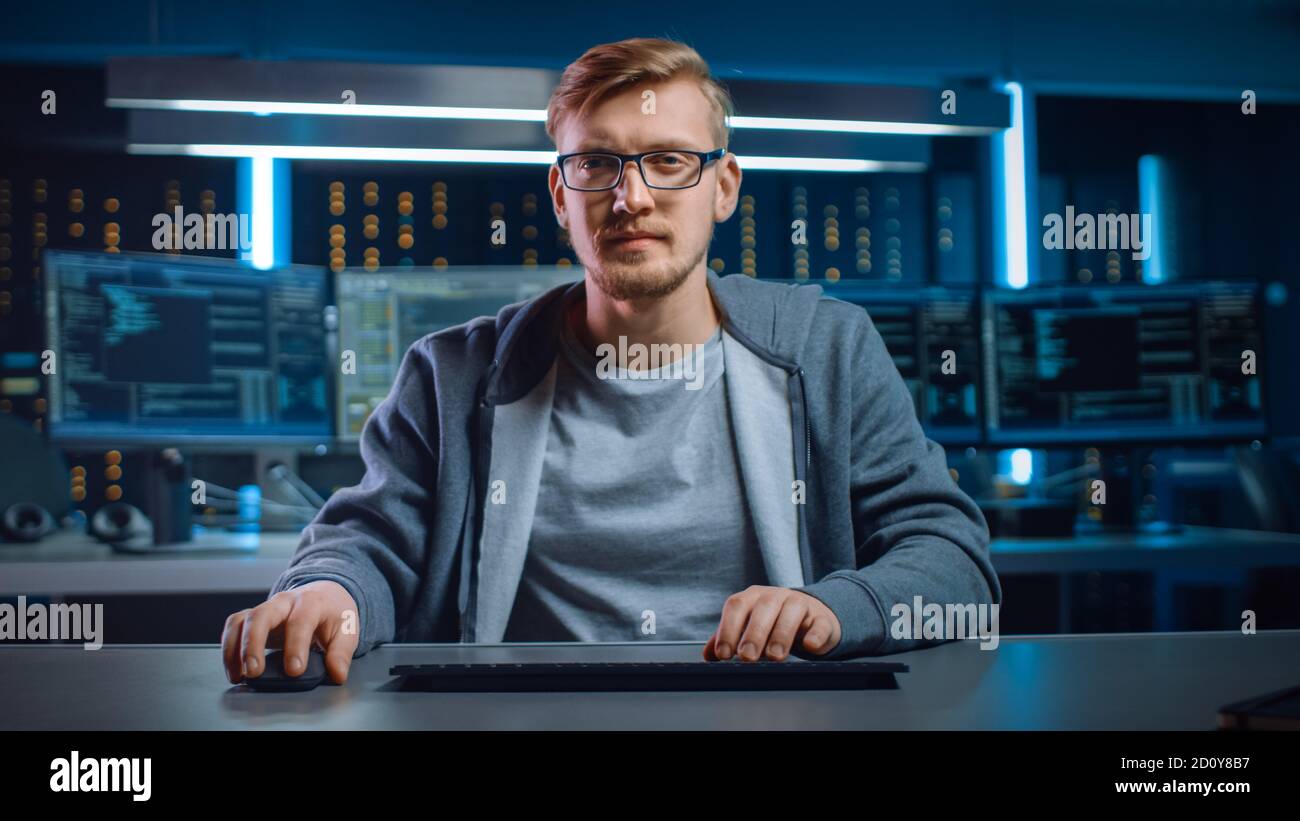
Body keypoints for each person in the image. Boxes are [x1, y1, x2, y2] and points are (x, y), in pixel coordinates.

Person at [221, 37, 1000, 686]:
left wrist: (840, 606)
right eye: (597, 166)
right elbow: (369, 544)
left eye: (668, 161)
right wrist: (329, 589)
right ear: (561, 196)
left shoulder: (828, 349)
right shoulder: (451, 375)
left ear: (723, 187)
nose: (630, 198)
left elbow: (952, 558)